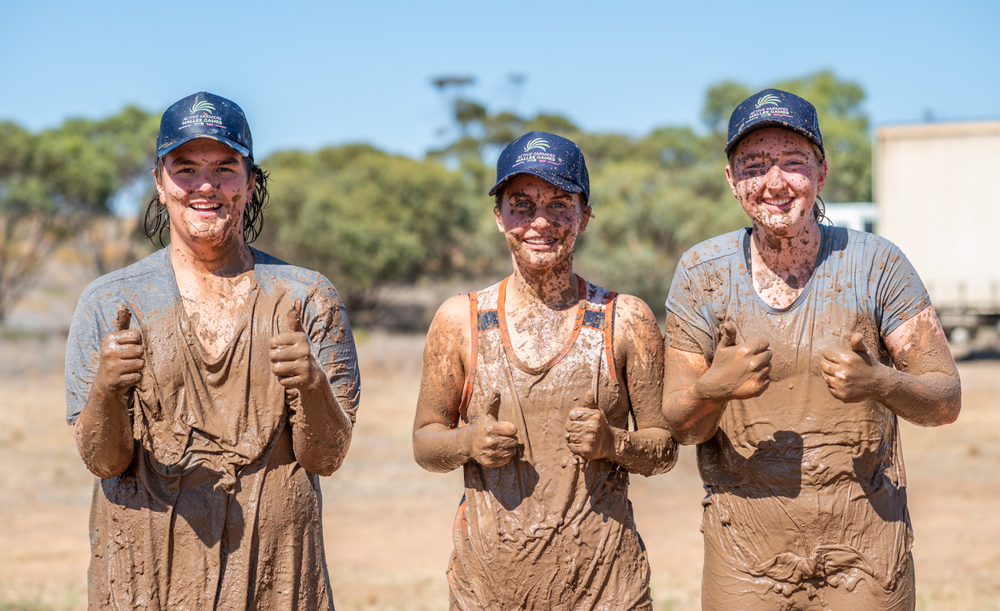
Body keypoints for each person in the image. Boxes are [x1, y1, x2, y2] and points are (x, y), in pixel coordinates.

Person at [662, 88, 962, 610]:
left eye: (793, 163)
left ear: (820, 174)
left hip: (865, 550)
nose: (774, 182)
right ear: (732, 181)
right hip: (745, 556)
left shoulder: (877, 264)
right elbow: (681, 425)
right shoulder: (701, 273)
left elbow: (946, 400)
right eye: (754, 166)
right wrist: (713, 390)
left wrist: (881, 384)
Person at [65, 91, 360, 610]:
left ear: (250, 182)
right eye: (186, 169)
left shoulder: (307, 296)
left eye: (225, 168)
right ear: (159, 183)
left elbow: (327, 457)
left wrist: (311, 382)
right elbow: (103, 461)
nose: (206, 186)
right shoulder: (111, 302)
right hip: (143, 581)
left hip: (279, 579)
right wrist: (108, 390)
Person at [412, 131, 678, 610]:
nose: (541, 222)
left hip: (605, 585)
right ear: (499, 217)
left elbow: (663, 450)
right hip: (490, 587)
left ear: (585, 216)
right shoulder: (460, 319)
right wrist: (469, 442)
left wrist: (613, 444)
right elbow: (426, 442)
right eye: (522, 204)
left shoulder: (627, 319)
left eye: (560, 204)